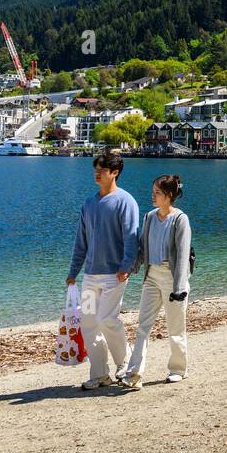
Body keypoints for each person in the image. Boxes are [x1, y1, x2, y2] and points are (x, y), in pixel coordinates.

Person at [66, 150, 140, 391]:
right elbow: (81, 241)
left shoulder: (125, 201)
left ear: (115, 172)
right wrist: (73, 272)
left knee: (108, 319)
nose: (97, 174)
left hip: (114, 276)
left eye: (102, 170)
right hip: (90, 277)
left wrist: (126, 266)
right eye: (95, 170)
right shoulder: (89, 204)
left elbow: (131, 238)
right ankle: (99, 374)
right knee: (88, 322)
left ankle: (126, 364)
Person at [118, 174, 192, 390]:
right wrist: (131, 269)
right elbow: (142, 248)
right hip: (152, 277)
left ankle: (178, 370)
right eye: (153, 192)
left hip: (172, 278)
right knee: (143, 325)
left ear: (168, 196)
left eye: (157, 193)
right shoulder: (149, 217)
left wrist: (179, 289)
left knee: (176, 328)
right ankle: (134, 373)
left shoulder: (180, 220)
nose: (153, 196)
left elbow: (183, 256)